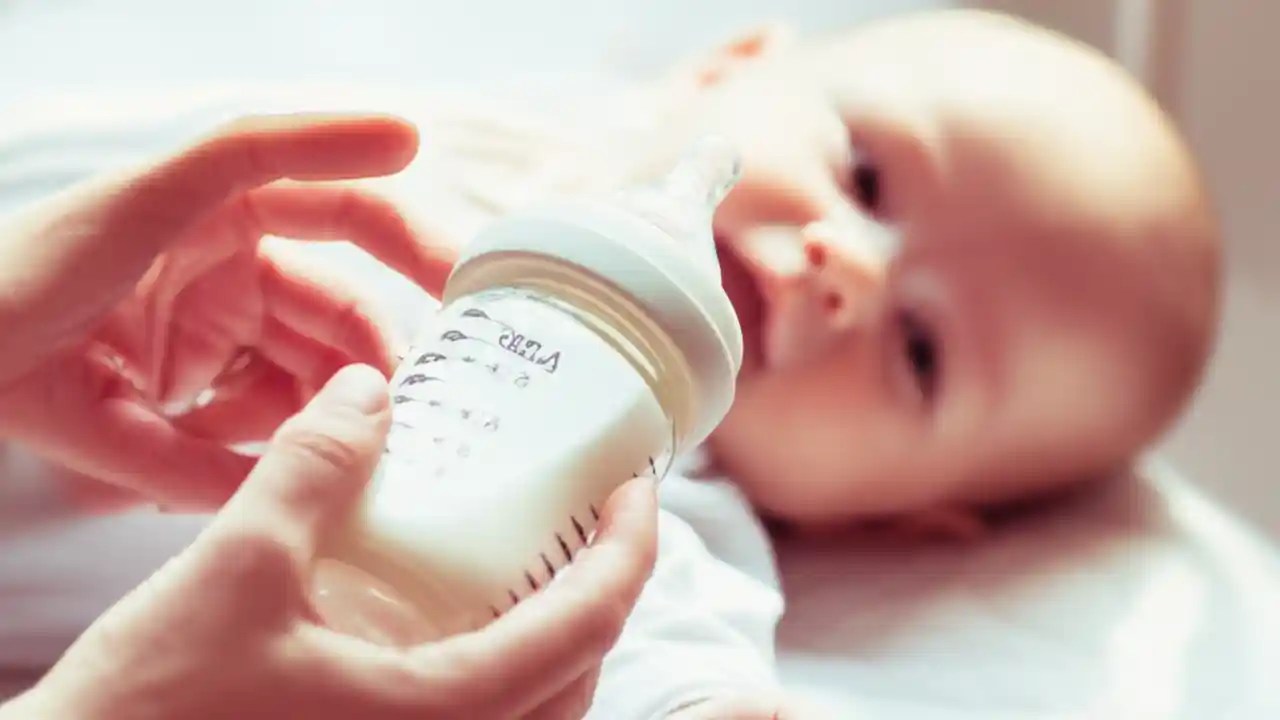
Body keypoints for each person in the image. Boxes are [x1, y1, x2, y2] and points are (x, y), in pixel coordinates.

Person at [0, 7, 1222, 719]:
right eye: (864, 175)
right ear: (725, 70)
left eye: (919, 352)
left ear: (898, 523)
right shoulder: (376, 157)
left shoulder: (650, 523)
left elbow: (663, 673)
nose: (839, 266)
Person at [0, 113, 661, 720]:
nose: (770, 273)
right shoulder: (465, 177)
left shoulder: (669, 467)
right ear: (726, 63)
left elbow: (677, 631)